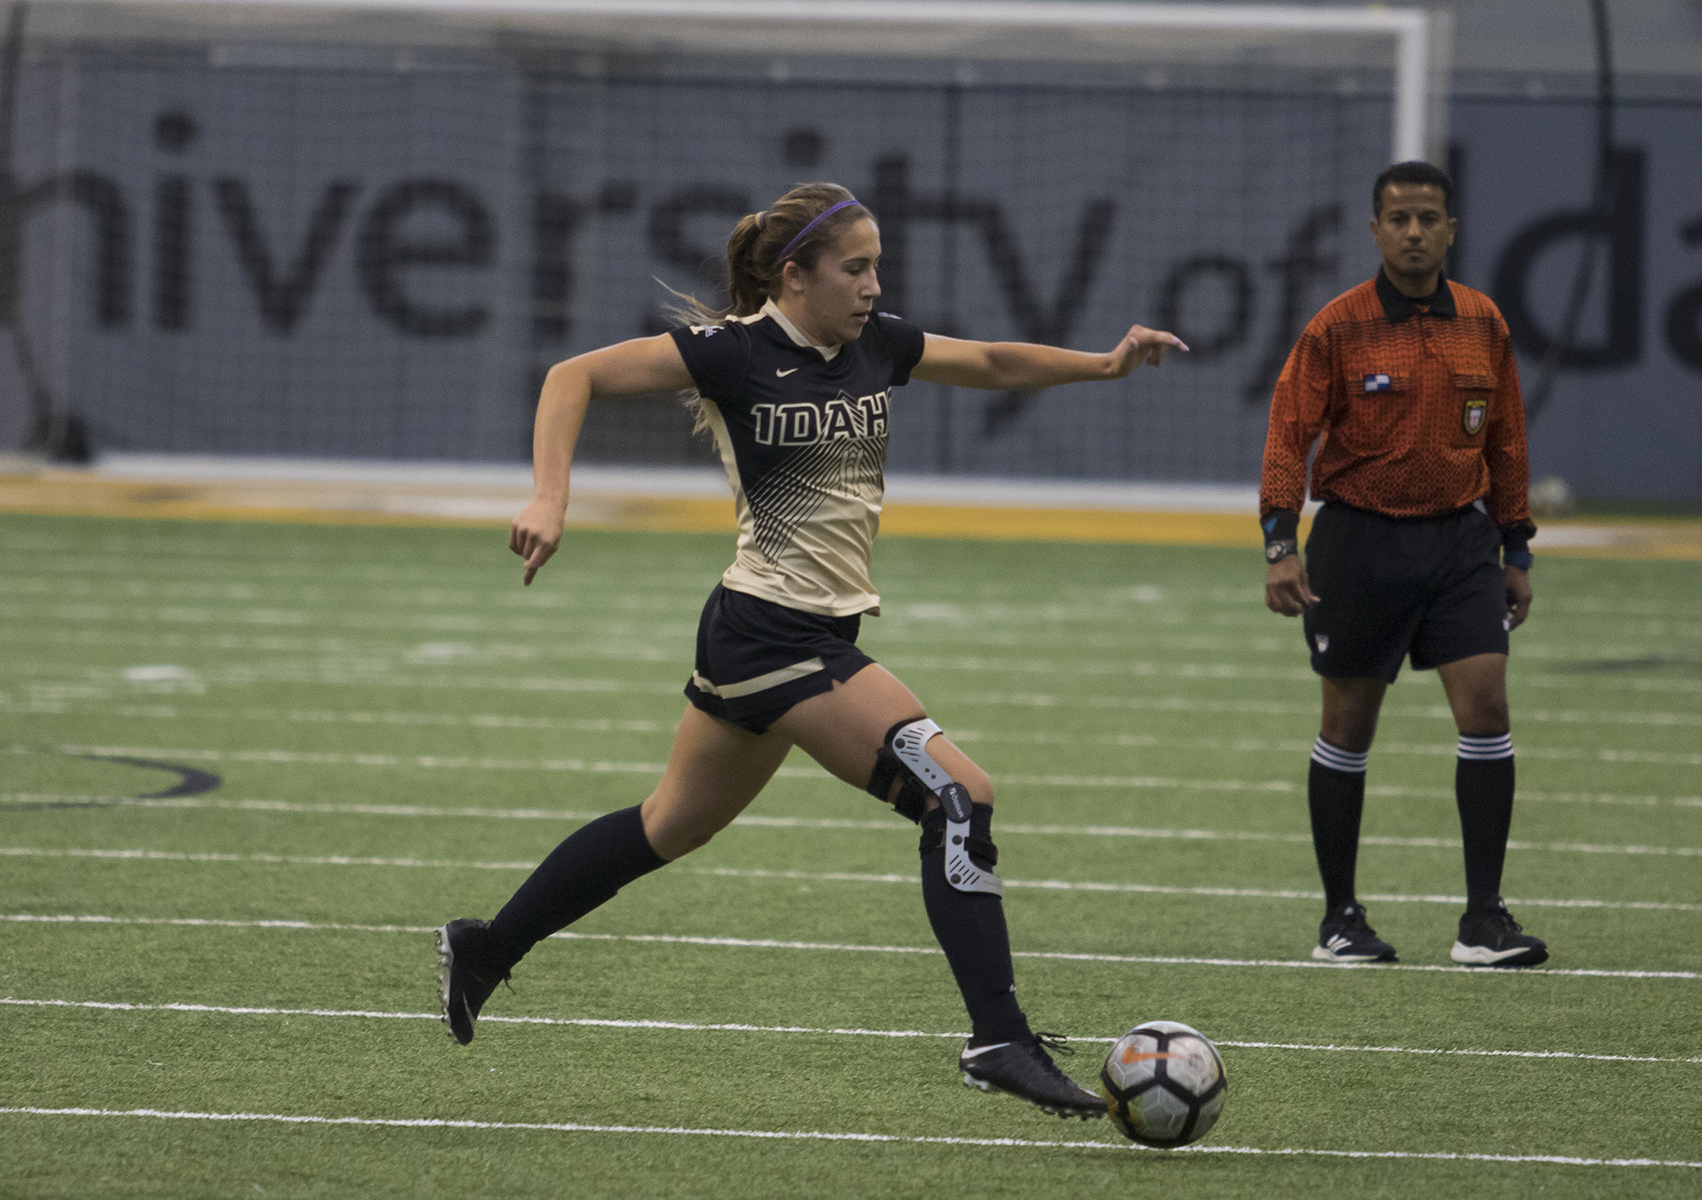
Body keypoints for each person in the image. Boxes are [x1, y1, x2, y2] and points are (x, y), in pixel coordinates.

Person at [436, 181, 1186, 1119]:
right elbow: (569, 377)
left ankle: (487, 947)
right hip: (772, 633)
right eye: (856, 269)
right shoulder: (734, 351)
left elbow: (993, 360)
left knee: (670, 824)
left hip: (792, 632)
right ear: (795, 276)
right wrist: (550, 496)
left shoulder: (877, 345)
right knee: (960, 794)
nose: (875, 286)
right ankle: (998, 1037)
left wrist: (1106, 366)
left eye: (878, 267)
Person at [1259, 161, 1547, 969]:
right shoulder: (1336, 328)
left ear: (1452, 228)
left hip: (1461, 543)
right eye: (1399, 219)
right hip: (1359, 543)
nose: (1414, 232)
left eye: (1428, 218)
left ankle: (1483, 921)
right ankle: (1341, 919)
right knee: (1348, 727)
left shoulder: (1485, 324)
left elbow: (1507, 441)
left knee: (1486, 710)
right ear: (1376, 230)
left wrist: (1516, 547)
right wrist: (1280, 544)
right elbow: (1287, 435)